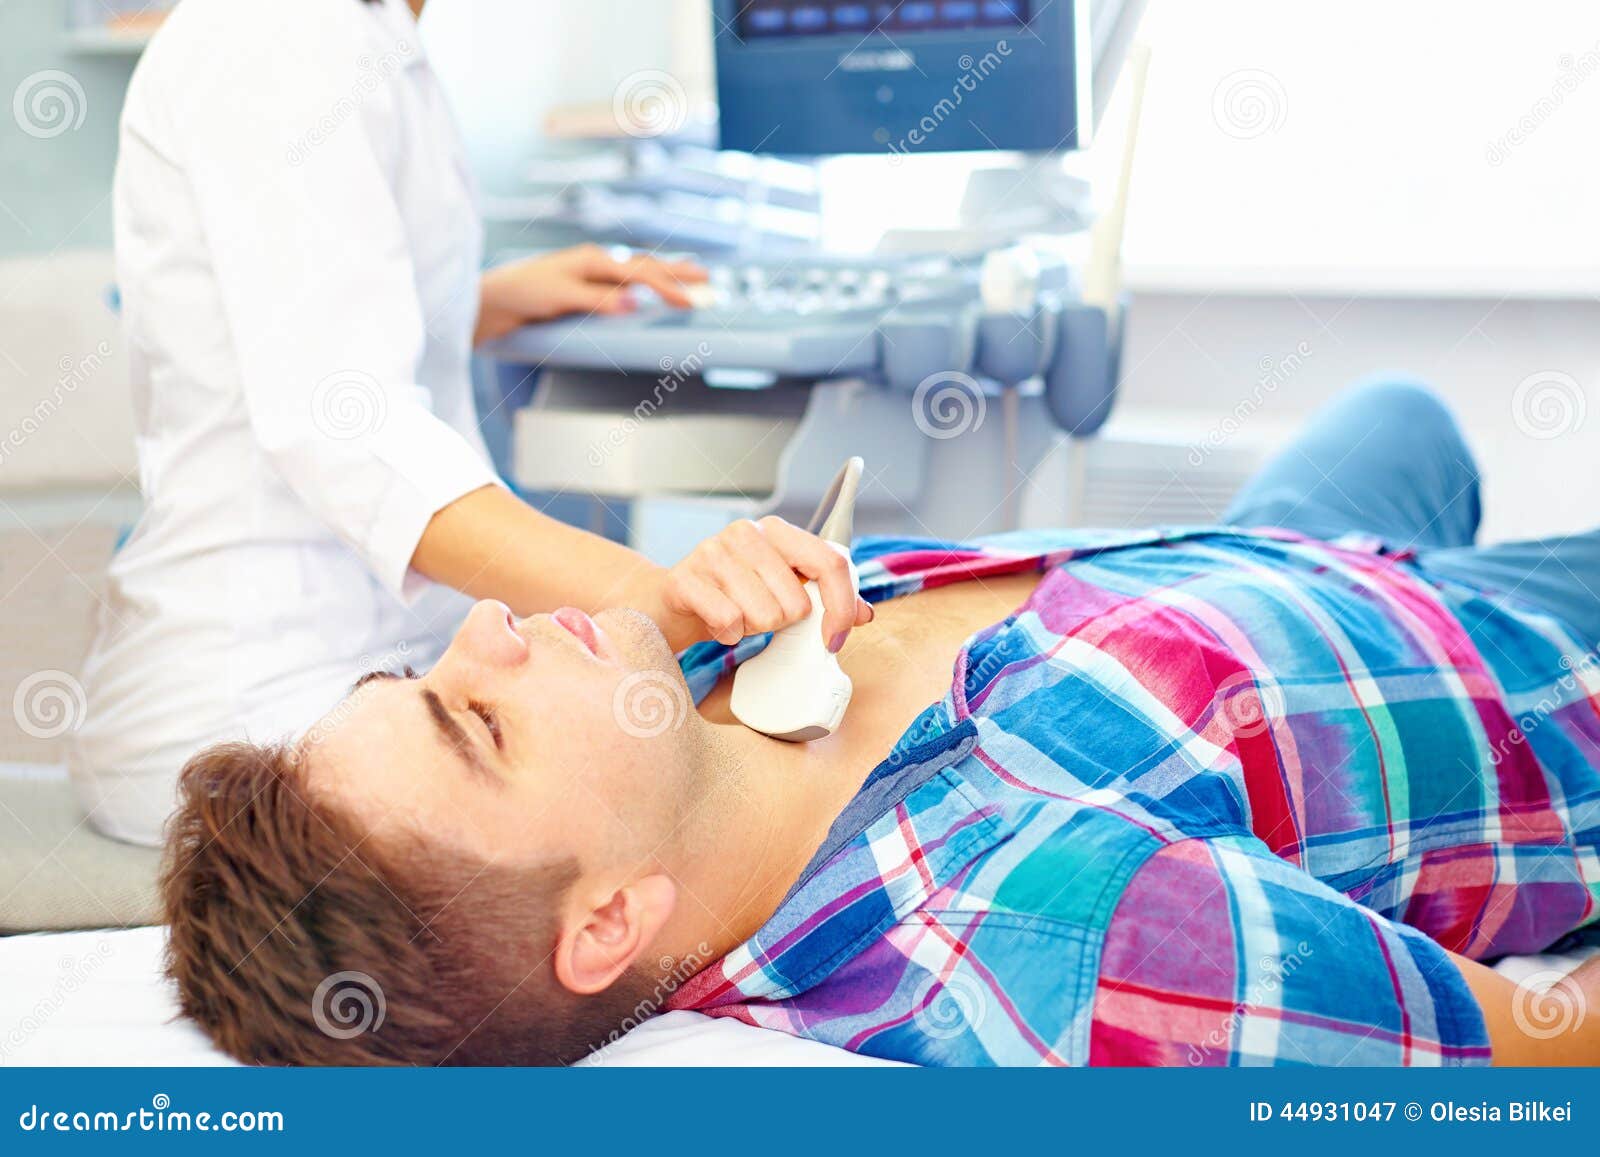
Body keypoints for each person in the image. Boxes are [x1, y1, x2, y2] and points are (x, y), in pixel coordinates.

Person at [159, 381, 1600, 1067]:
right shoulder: (1060, 938)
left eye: (416, 677)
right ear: (605, 926)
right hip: (1524, 668)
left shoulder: (698, 682)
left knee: (1405, 419)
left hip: (1270, 562)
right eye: (479, 721)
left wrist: (684, 610)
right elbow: (1535, 1053)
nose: (484, 627)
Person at [71, 0, 869, 846]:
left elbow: (293, 322)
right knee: (716, 811)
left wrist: (478, 301)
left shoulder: (371, 34)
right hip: (261, 710)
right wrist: (653, 601)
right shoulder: (285, 32)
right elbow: (346, 429)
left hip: (376, 668)